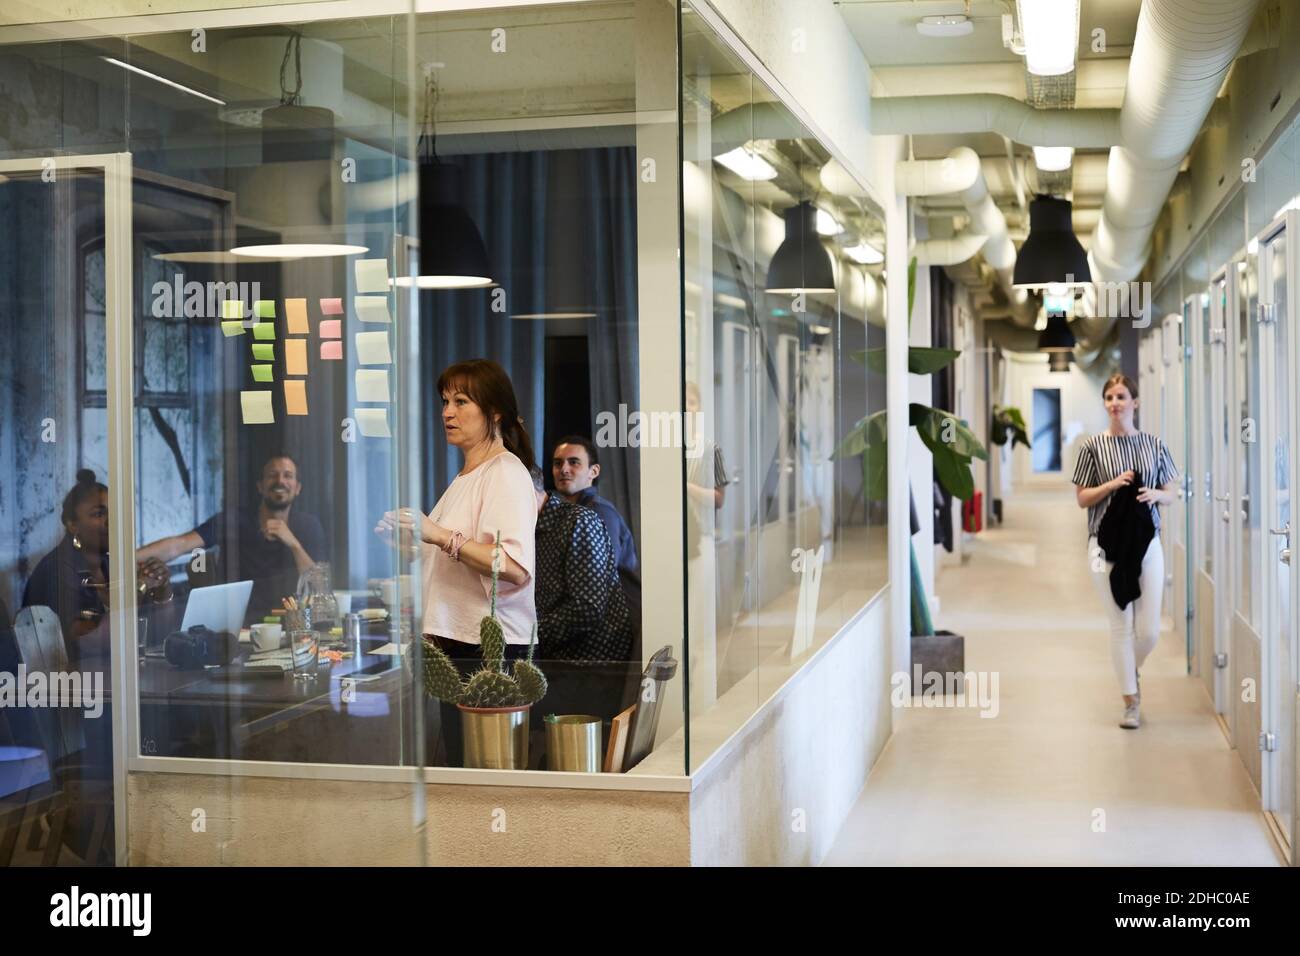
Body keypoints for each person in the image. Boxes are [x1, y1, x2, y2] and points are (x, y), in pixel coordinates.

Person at [376, 359, 538, 765]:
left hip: (488, 650)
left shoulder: (505, 472)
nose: (448, 412)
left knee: (482, 779)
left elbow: (514, 568)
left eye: (461, 401)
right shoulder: (468, 474)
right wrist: (415, 546)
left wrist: (437, 534)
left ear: (494, 412)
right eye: (445, 401)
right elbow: (461, 557)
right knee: (461, 768)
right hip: (457, 644)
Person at [1071, 373, 1179, 730]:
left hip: (1147, 543)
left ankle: (1130, 667)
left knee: (1148, 630)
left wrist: (1156, 496)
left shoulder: (1154, 444)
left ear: (1135, 402)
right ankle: (1130, 701)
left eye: (1121, 396)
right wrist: (1113, 484)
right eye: (1109, 398)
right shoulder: (1091, 447)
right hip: (1103, 546)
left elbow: (1172, 492)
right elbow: (1082, 498)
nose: (1115, 403)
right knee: (1121, 625)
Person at [138, 453, 325, 621]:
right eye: (272, 475)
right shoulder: (234, 520)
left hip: (290, 624)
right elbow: (179, 545)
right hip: (236, 626)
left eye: (288, 475)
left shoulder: (308, 525)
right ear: (260, 486)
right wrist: (117, 560)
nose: (280, 481)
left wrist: (293, 544)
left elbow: (318, 589)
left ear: (298, 487)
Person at [24, 470, 172, 662]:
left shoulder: (109, 564)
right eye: (99, 513)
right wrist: (140, 586)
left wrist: (162, 588)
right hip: (67, 683)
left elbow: (157, 632)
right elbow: (94, 643)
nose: (112, 521)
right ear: (72, 525)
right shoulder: (57, 571)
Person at [532, 467, 633, 664]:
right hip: (555, 659)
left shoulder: (579, 520)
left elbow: (587, 608)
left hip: (589, 662)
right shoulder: (533, 528)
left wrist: (527, 635)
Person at [550, 435, 639, 582]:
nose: (564, 469)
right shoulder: (565, 513)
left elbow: (601, 578)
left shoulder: (599, 512)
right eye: (558, 463)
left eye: (574, 462)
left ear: (594, 471)